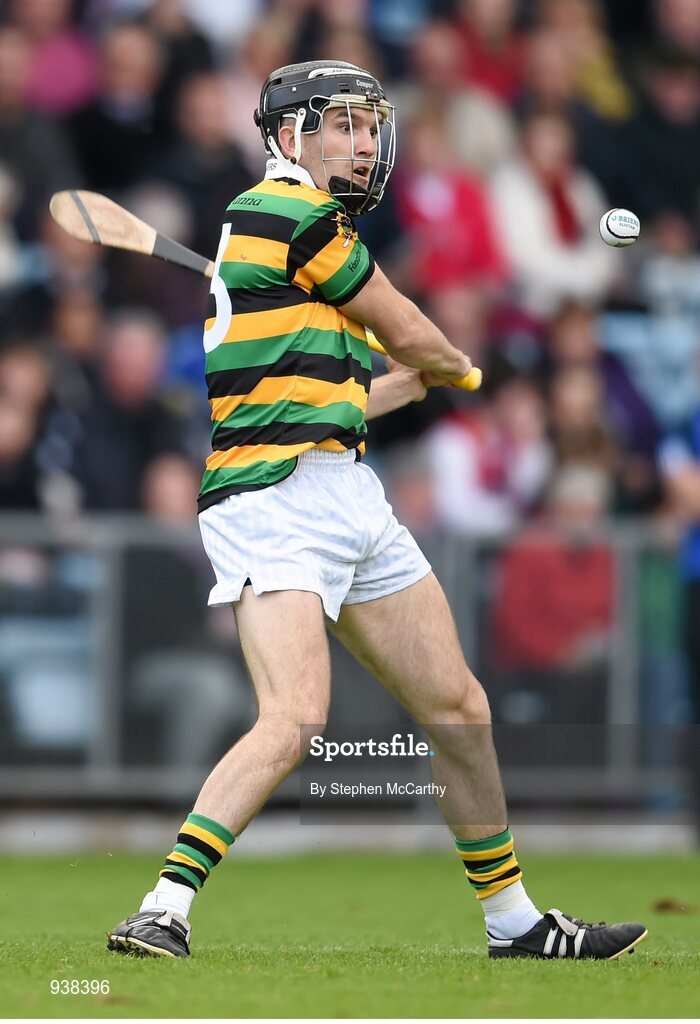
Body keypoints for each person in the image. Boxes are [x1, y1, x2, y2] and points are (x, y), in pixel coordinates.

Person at [106, 60, 646, 961]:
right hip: (271, 497)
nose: (364, 144)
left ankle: (514, 923)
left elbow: (345, 397)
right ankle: (161, 907)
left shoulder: (295, 245)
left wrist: (407, 382)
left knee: (458, 705)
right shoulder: (289, 212)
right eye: (343, 125)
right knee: (295, 717)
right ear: (290, 136)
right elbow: (405, 324)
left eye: (369, 126)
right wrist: (455, 364)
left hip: (344, 486)